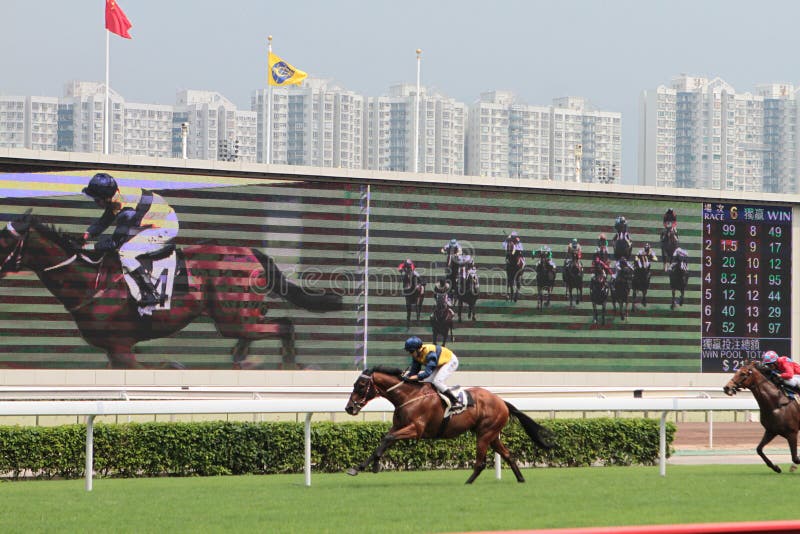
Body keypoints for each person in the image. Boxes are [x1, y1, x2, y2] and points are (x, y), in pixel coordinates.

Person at [81, 172, 179, 307]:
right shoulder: (116, 196)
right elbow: (105, 220)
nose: (95, 202)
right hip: (151, 217)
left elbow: (114, 242)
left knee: (125, 252)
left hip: (165, 226)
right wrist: (86, 235)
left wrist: (88, 248)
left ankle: (150, 293)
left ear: (105, 198)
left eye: (96, 199)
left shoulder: (127, 211)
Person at [402, 336, 462, 409]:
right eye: (408, 351)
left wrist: (415, 377)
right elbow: (414, 371)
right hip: (439, 362)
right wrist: (406, 377)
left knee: (437, 382)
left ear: (418, 350)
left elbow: (427, 373)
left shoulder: (430, 353)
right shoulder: (416, 355)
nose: (410, 354)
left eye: (411, 351)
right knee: (427, 382)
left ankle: (456, 401)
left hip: (450, 361)